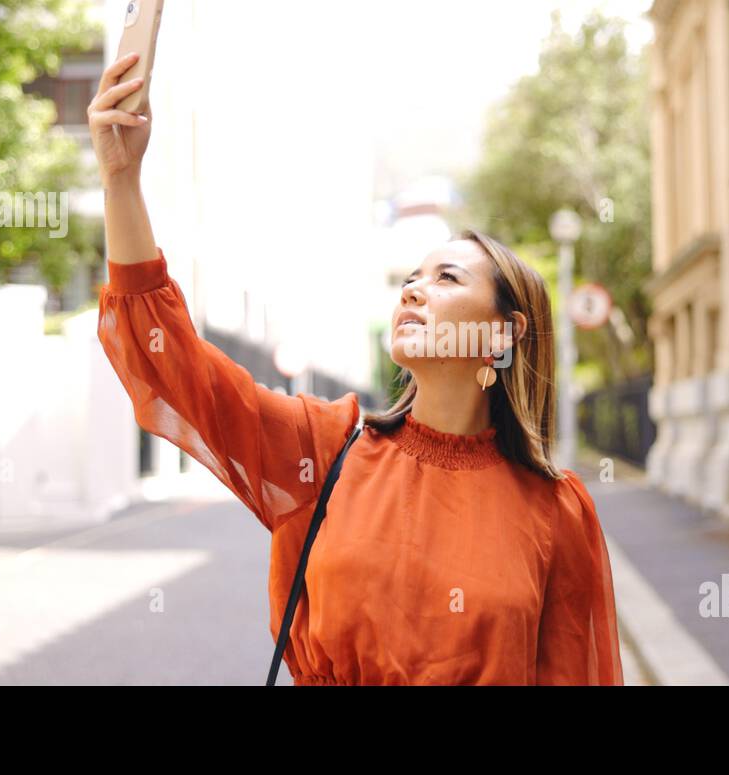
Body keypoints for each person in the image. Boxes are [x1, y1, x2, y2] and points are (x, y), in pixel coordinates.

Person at [89, 51, 624, 685]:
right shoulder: (325, 449)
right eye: (409, 278)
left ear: (504, 333)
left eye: (446, 278)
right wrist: (121, 179)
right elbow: (173, 366)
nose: (413, 291)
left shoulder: (557, 510)